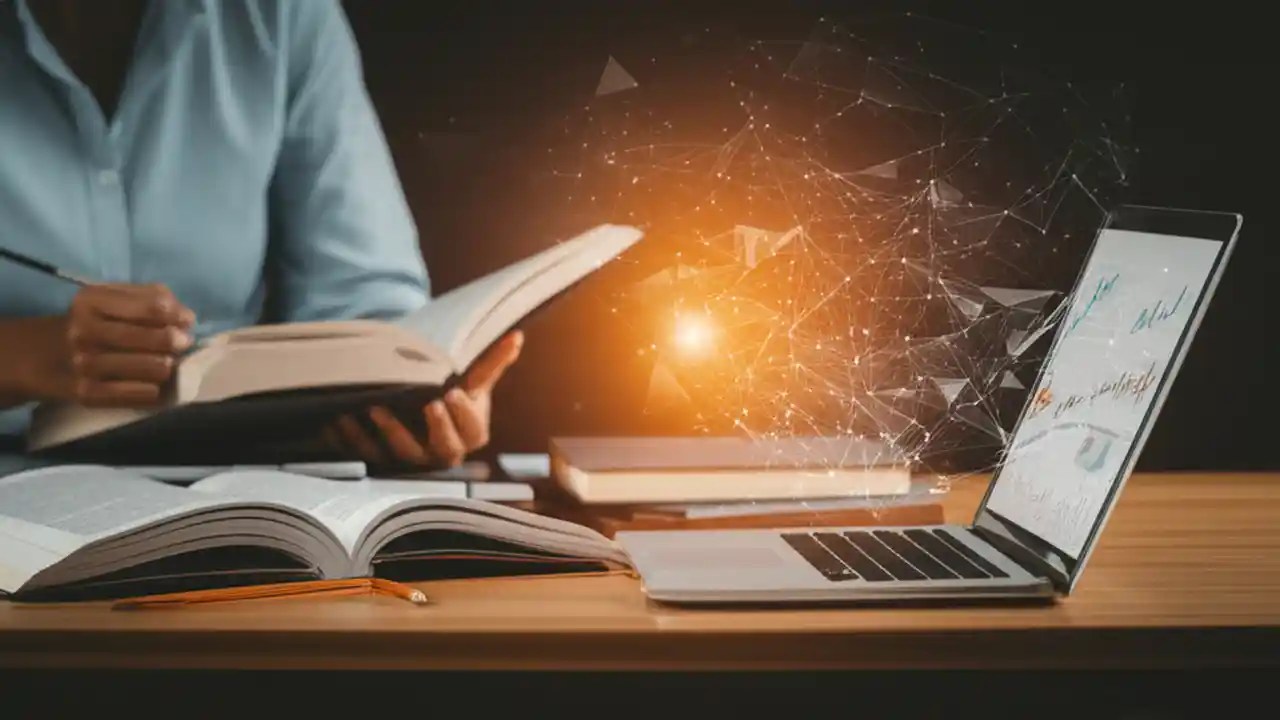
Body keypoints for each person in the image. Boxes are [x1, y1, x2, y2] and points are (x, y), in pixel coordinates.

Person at [0, 0, 521, 468]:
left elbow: (364, 304)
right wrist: (19, 359)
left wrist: (420, 393)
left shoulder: (283, 15)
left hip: (234, 486)